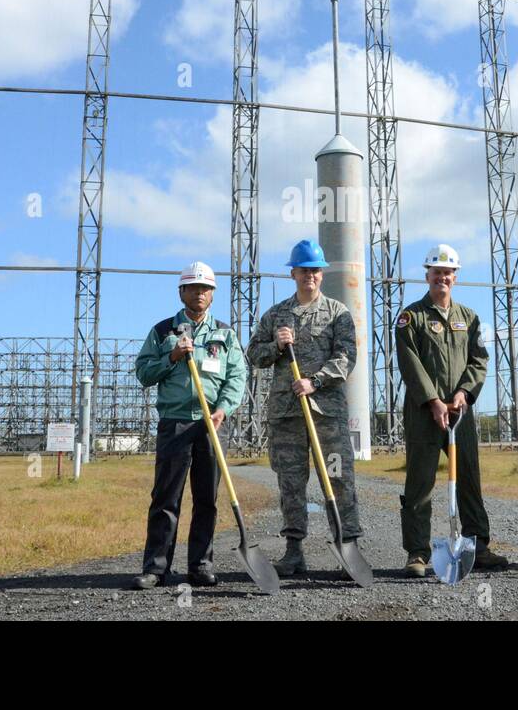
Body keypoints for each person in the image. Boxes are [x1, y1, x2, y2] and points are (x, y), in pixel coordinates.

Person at [246, 240, 362, 577]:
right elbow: (254, 355)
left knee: (339, 479)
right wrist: (276, 345)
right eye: (303, 269)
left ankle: (348, 547)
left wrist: (316, 381)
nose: (309, 275)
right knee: (291, 483)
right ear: (292, 273)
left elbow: (346, 357)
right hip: (287, 414)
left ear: (321, 274)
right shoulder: (276, 315)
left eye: (315, 269)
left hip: (327, 413)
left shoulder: (338, 313)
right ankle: (294, 552)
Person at [395, 243, 509, 577]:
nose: (442, 277)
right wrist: (433, 401)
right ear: (427, 275)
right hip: (423, 412)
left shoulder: (469, 318)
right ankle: (417, 553)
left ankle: (478, 546)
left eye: (448, 272)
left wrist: (463, 393)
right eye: (436, 272)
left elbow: (479, 360)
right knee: (420, 483)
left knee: (469, 479)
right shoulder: (410, 317)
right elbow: (409, 362)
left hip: (460, 413)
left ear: (455, 277)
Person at [131, 261, 246, 589]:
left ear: (212, 294)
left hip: (210, 425)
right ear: (181, 292)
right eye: (193, 288)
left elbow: (237, 376)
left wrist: (223, 409)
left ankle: (200, 565)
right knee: (166, 498)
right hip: (175, 424)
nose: (200, 293)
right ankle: (156, 568)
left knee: (207, 499)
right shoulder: (163, 331)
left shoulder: (224, 333)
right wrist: (172, 357)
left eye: (205, 288)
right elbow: (143, 373)